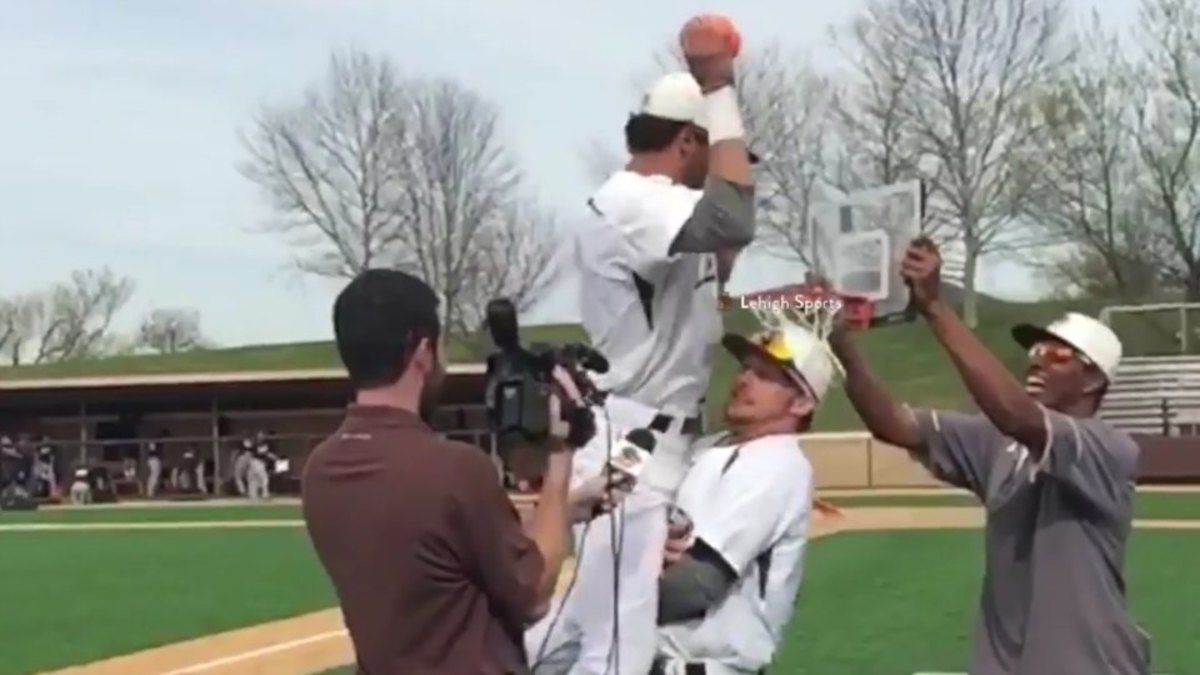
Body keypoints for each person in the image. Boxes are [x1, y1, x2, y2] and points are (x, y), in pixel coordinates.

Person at [532, 17, 758, 674]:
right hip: (636, 437)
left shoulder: (658, 209)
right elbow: (734, 216)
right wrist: (719, 86)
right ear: (688, 140)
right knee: (618, 646)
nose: (726, 174)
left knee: (585, 629)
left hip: (648, 438)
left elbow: (721, 252)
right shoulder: (637, 200)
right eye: (713, 153)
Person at [829, 239, 1151, 675]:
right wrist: (844, 347)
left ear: (1093, 380)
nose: (1037, 363)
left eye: (1056, 355)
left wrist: (935, 308)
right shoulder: (997, 442)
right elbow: (892, 424)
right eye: (1034, 353)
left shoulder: (1107, 449)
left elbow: (1017, 415)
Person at [302, 269, 625, 675]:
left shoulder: (320, 470)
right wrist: (560, 455)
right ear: (422, 351)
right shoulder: (454, 469)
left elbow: (439, 546)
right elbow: (533, 591)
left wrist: (565, 509)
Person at [650, 325, 827, 674]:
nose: (744, 380)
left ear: (801, 403)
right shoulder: (710, 449)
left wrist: (611, 604)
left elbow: (697, 585)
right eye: (745, 367)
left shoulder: (777, 463)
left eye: (764, 375)